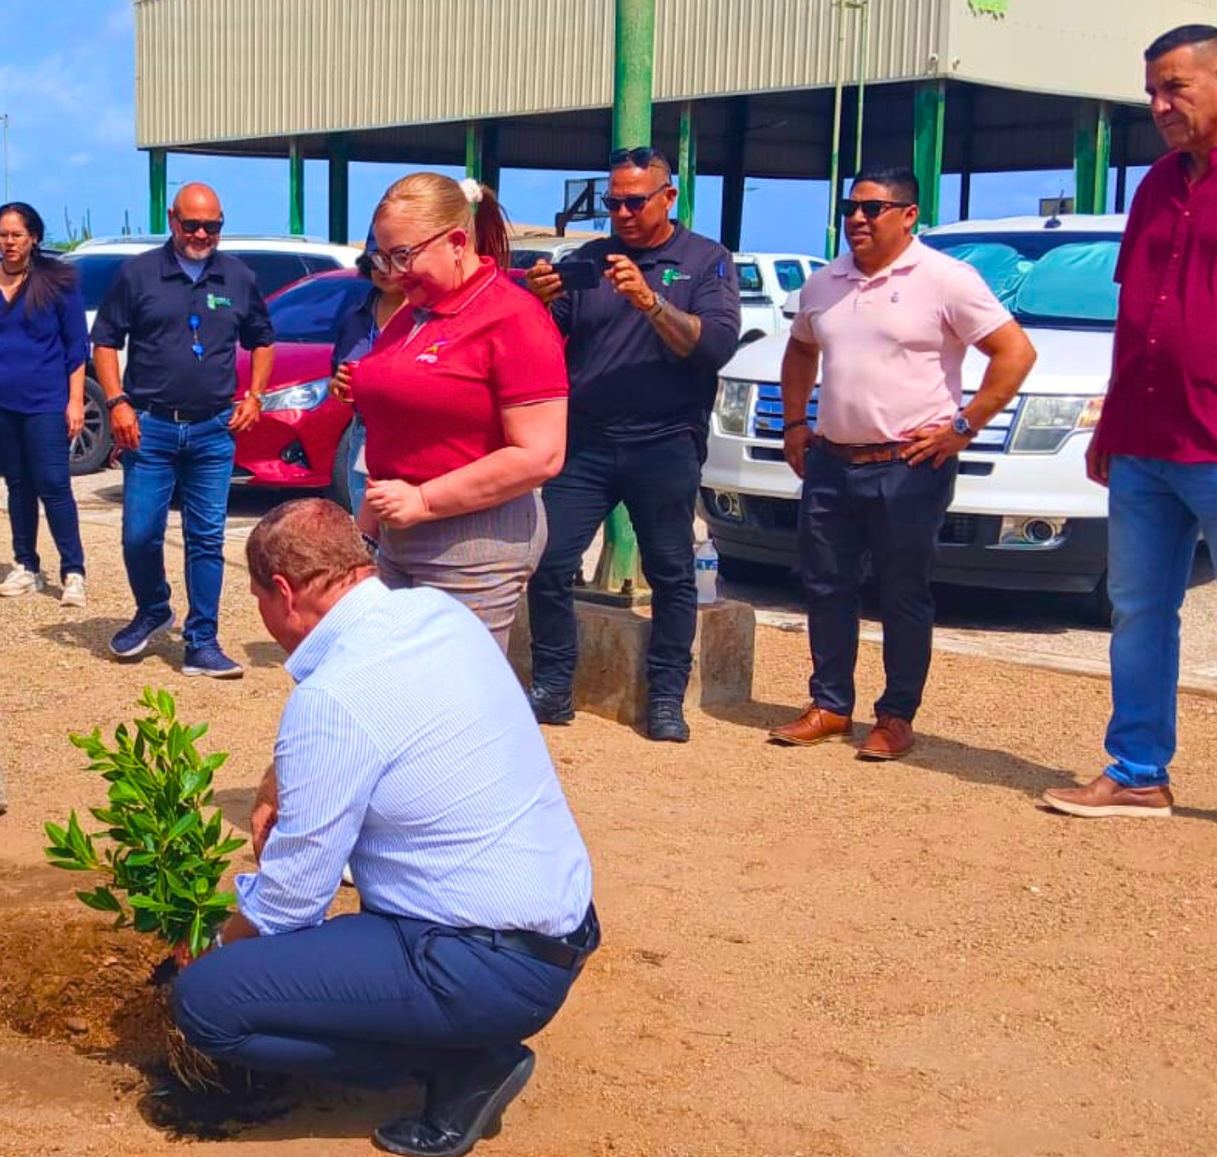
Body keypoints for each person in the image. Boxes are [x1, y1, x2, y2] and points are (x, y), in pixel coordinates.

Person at [171, 498, 598, 1157]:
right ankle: (454, 1039)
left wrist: (218, 945)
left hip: (486, 964)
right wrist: (282, 778)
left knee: (208, 1001)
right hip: (554, 932)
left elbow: (291, 902)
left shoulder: (334, 696)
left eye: (256, 597)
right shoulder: (437, 615)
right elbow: (381, 727)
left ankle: (458, 1066)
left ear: (282, 591)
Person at [770, 168, 1037, 761]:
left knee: (901, 592)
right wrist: (794, 422)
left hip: (908, 466)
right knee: (826, 585)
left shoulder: (946, 279)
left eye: (873, 208)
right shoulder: (824, 283)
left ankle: (895, 716)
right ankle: (831, 704)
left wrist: (963, 427)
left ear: (909, 214)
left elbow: (1015, 352)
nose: (858, 220)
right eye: (851, 208)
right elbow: (800, 349)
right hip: (832, 462)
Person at [1044, 25, 1217, 818]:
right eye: (1152, 89)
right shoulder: (1153, 185)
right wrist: (1110, 425)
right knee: (1140, 610)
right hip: (1146, 444)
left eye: (1175, 87)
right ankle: (1139, 770)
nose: (1157, 104)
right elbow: (1135, 313)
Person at [523, 148, 743, 743]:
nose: (620, 211)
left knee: (672, 574)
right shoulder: (591, 260)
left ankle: (666, 697)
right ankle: (552, 686)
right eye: (612, 201)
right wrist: (538, 300)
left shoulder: (705, 261)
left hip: (665, 441)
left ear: (668, 198)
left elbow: (713, 347)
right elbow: (544, 340)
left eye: (633, 201)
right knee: (548, 564)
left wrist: (649, 300)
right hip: (587, 443)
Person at [346, 174, 568, 654]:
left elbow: (542, 454)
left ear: (456, 242)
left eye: (404, 255)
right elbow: (391, 429)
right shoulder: (413, 313)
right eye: (383, 257)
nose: (394, 272)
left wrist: (424, 500)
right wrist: (364, 530)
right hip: (398, 532)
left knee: (451, 701)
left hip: (472, 543)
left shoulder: (514, 317)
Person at [90, 182, 275, 678]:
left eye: (211, 226)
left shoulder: (237, 276)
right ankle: (154, 608)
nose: (200, 234)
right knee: (140, 535)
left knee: (206, 538)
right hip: (149, 429)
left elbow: (262, 339)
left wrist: (254, 394)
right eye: (190, 224)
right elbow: (104, 342)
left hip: (214, 431)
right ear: (172, 218)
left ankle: (202, 641)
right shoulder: (138, 274)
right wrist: (116, 403)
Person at [0, 202, 89, 606]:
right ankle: (25, 565)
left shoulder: (57, 281)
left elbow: (75, 345)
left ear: (33, 237)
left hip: (45, 400)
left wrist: (76, 400)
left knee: (52, 483)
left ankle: (73, 570)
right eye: (2, 235)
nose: (9, 242)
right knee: (18, 484)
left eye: (16, 235)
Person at [326, 235, 405, 517]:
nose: (383, 269)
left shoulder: (426, 317)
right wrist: (337, 385)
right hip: (363, 432)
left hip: (408, 435)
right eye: (376, 260)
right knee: (365, 528)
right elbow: (338, 373)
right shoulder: (357, 317)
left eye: (394, 259)